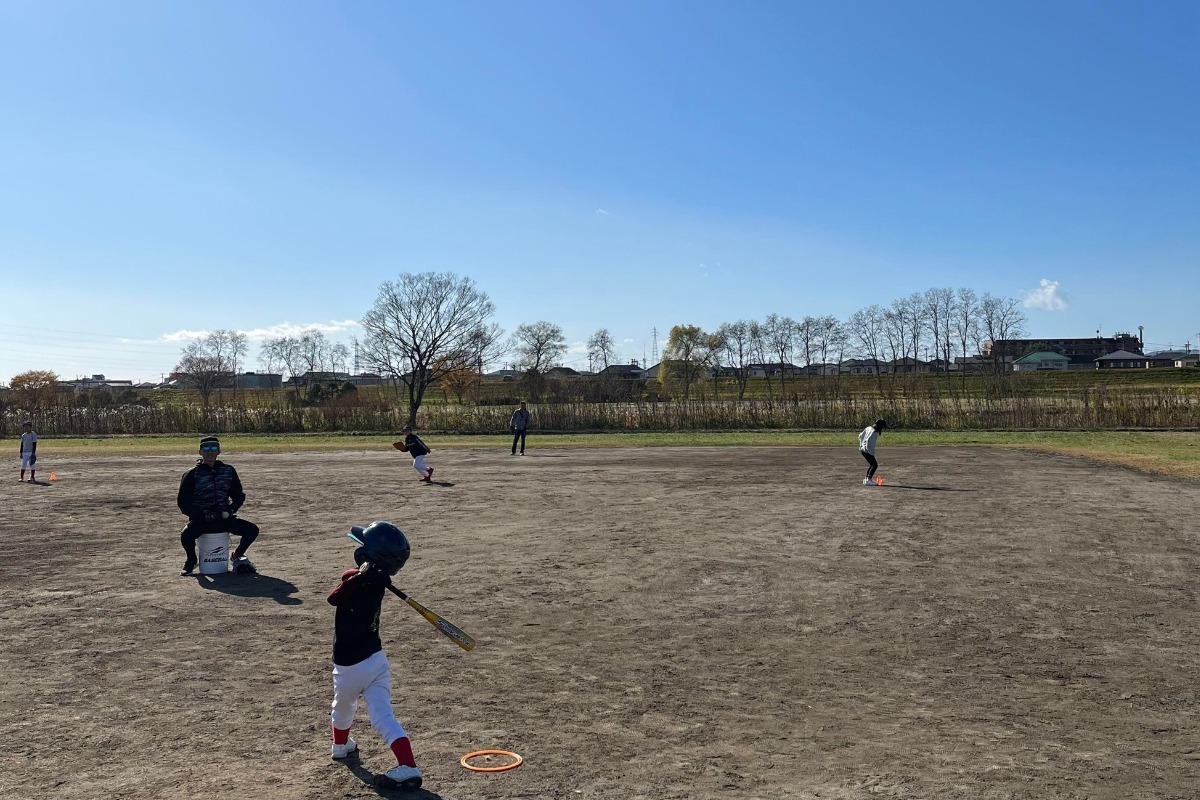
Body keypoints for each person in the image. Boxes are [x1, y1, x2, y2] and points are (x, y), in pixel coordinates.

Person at [328, 521, 423, 791]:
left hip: (349, 666)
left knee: (343, 707)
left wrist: (361, 577)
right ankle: (407, 765)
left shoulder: (366, 581)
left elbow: (334, 598)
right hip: (376, 660)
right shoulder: (375, 581)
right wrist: (364, 576)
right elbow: (343, 592)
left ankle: (339, 746)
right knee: (384, 717)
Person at [176, 436, 260, 575]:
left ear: (218, 451)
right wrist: (199, 514)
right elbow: (183, 502)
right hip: (202, 520)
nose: (210, 452)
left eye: (213, 448)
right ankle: (191, 560)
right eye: (206, 449)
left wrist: (232, 509)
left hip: (224, 518)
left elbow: (239, 495)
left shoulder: (228, 471)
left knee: (252, 530)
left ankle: (237, 555)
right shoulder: (192, 474)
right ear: (200, 452)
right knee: (186, 535)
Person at [858, 419, 887, 486]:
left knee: (872, 464)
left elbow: (860, 436)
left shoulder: (868, 428)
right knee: (875, 465)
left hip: (862, 450)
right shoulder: (874, 433)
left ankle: (866, 479)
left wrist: (861, 445)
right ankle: (868, 480)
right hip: (867, 451)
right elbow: (869, 442)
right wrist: (871, 453)